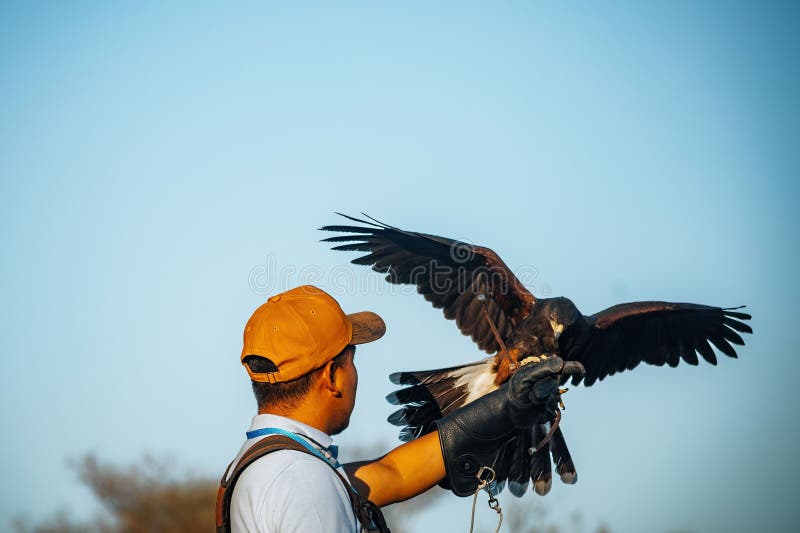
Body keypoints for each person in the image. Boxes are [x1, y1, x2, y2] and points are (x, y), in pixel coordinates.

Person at [216, 285, 583, 532]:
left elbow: (390, 473)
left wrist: (504, 411)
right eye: (351, 360)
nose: (356, 373)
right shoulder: (301, 482)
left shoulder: (274, 463)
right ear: (332, 376)